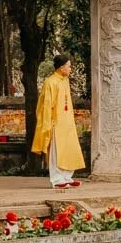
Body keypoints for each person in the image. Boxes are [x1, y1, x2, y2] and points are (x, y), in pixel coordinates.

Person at [31, 54, 86, 189]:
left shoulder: (65, 81)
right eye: (69, 66)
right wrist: (48, 123)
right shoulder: (50, 82)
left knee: (69, 149)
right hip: (56, 122)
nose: (70, 69)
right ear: (61, 68)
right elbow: (46, 105)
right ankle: (57, 179)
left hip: (67, 122)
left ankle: (67, 177)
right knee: (57, 152)